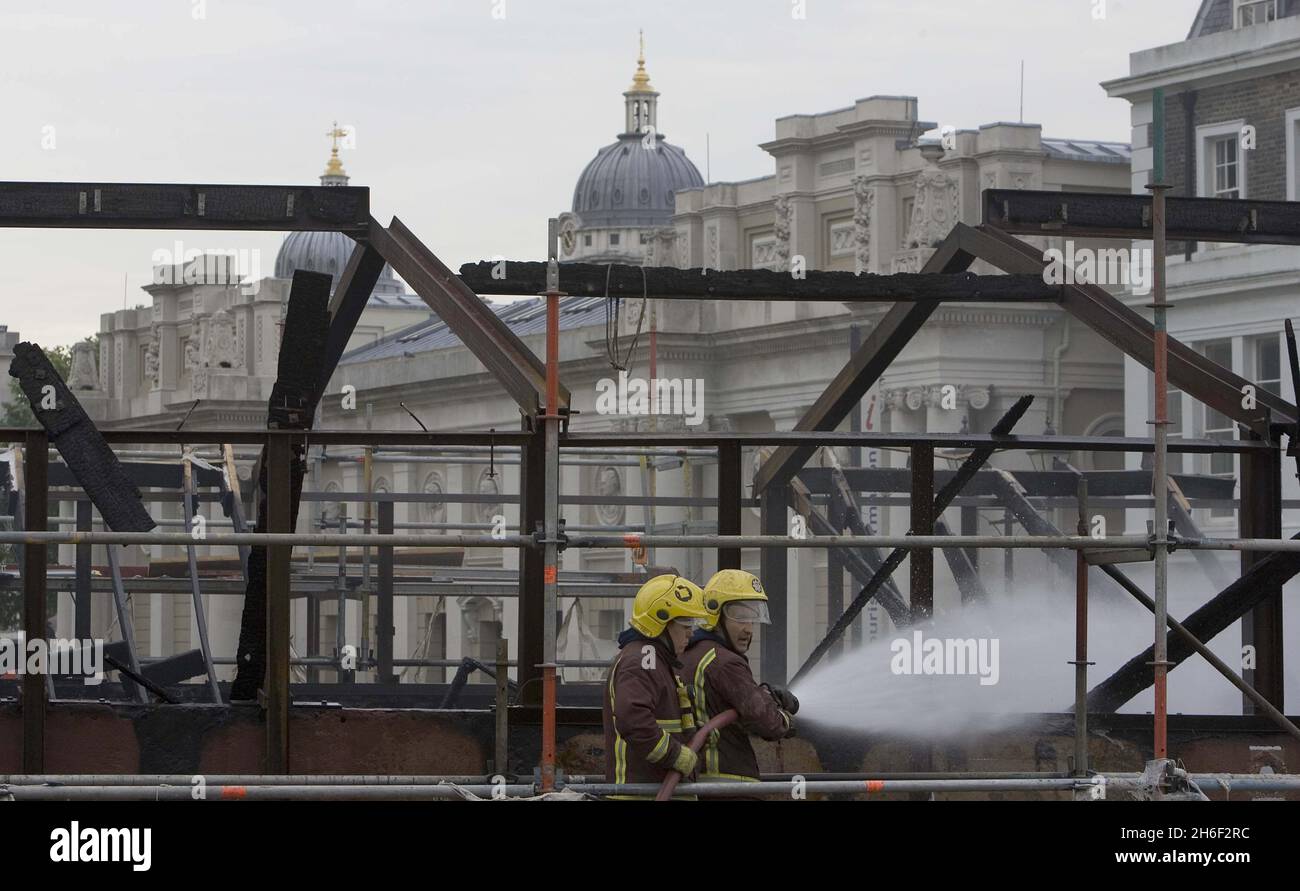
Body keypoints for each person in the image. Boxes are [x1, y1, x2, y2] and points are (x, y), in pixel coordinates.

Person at [679, 569, 798, 784]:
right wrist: (785, 718)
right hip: (726, 781)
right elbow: (767, 723)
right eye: (740, 618)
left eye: (752, 619)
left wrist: (763, 695)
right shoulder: (724, 662)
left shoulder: (690, 654)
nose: (748, 629)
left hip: (697, 780)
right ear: (715, 614)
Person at [603, 574, 711, 795]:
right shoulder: (643, 660)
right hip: (642, 794)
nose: (691, 632)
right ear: (660, 622)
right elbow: (634, 721)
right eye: (685, 623)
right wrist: (675, 756)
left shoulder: (658, 661)